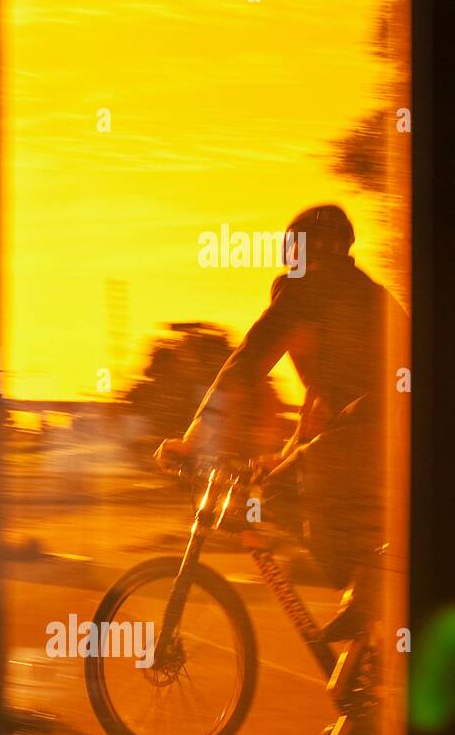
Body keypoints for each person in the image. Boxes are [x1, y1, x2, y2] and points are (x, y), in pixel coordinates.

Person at [157, 204, 409, 653]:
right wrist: (281, 456)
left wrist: (193, 441)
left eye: (292, 251)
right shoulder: (363, 295)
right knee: (292, 489)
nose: (288, 263)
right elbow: (323, 414)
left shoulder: (307, 292)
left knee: (286, 492)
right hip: (390, 429)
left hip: (386, 425)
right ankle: (372, 642)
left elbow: (245, 365)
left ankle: (370, 598)